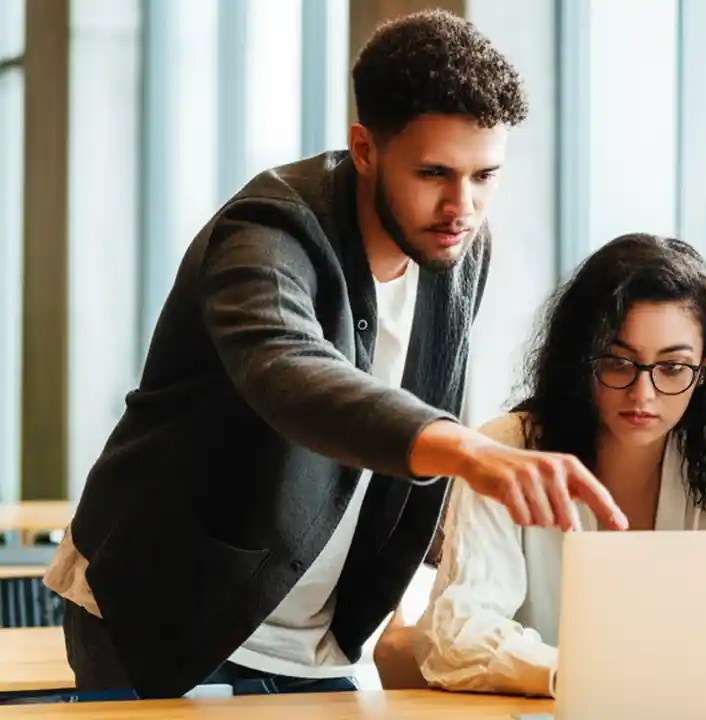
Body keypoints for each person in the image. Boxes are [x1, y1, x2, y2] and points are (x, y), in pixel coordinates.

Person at [42, 10, 625, 700]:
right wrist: (468, 451)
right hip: (167, 610)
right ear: (365, 149)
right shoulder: (267, 231)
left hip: (315, 638)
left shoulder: (460, 247)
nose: (461, 206)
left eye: (484, 175)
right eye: (434, 173)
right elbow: (291, 373)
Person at [372, 233, 706, 696]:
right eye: (618, 363)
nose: (643, 394)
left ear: (705, 368)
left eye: (673, 368)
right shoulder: (508, 450)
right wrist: (584, 677)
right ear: (582, 358)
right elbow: (457, 634)